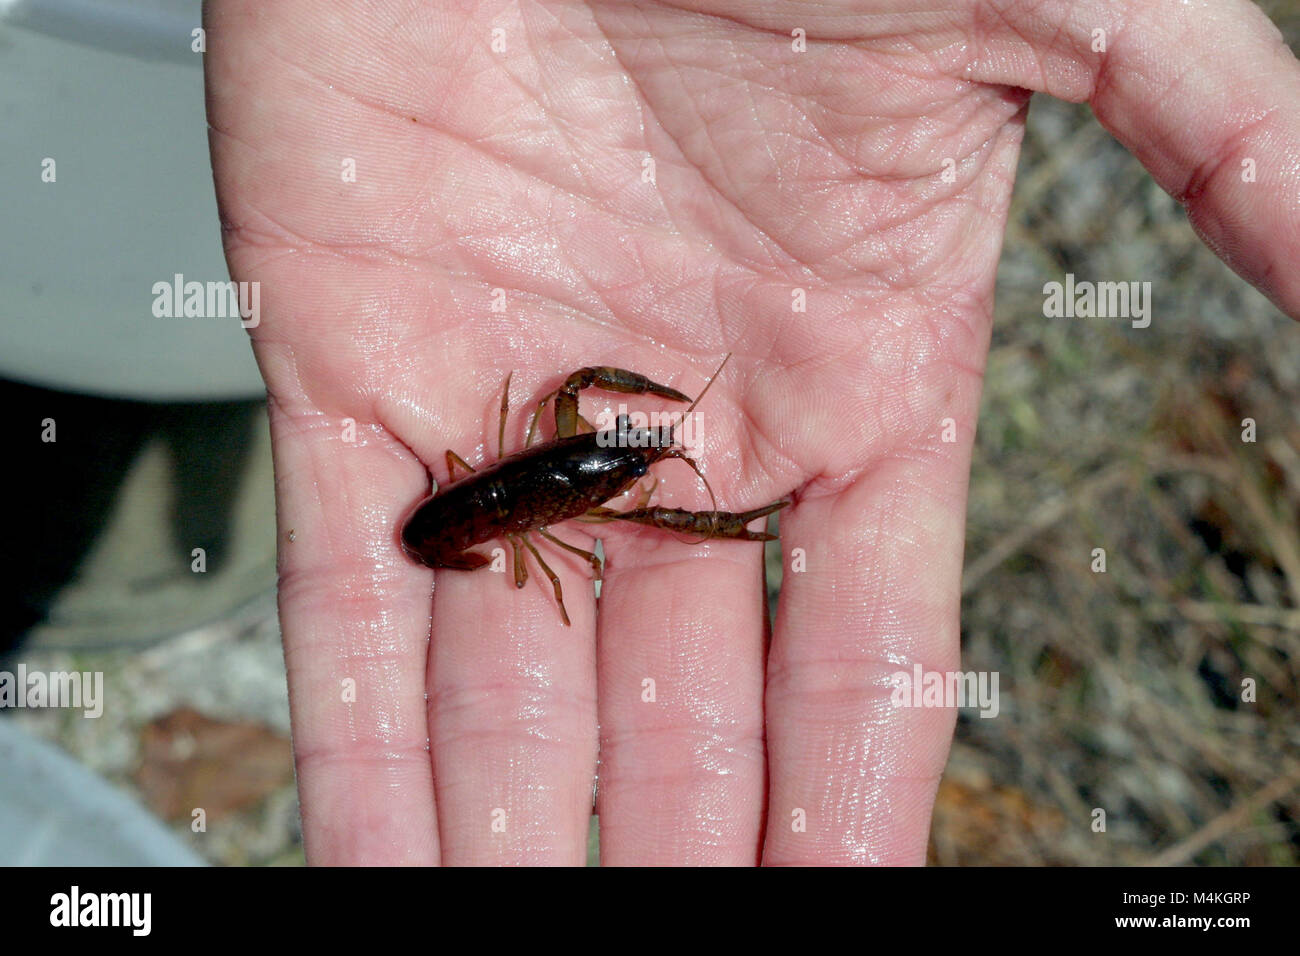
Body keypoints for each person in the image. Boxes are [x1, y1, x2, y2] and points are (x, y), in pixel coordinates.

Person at [204, 0, 1300, 864]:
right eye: (614, 440)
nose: (620, 447)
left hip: (486, 502)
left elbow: (580, 423)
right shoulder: (556, 489)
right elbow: (582, 446)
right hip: (455, 516)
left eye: (614, 442)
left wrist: (625, 450)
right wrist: (645, 485)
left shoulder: (567, 450)